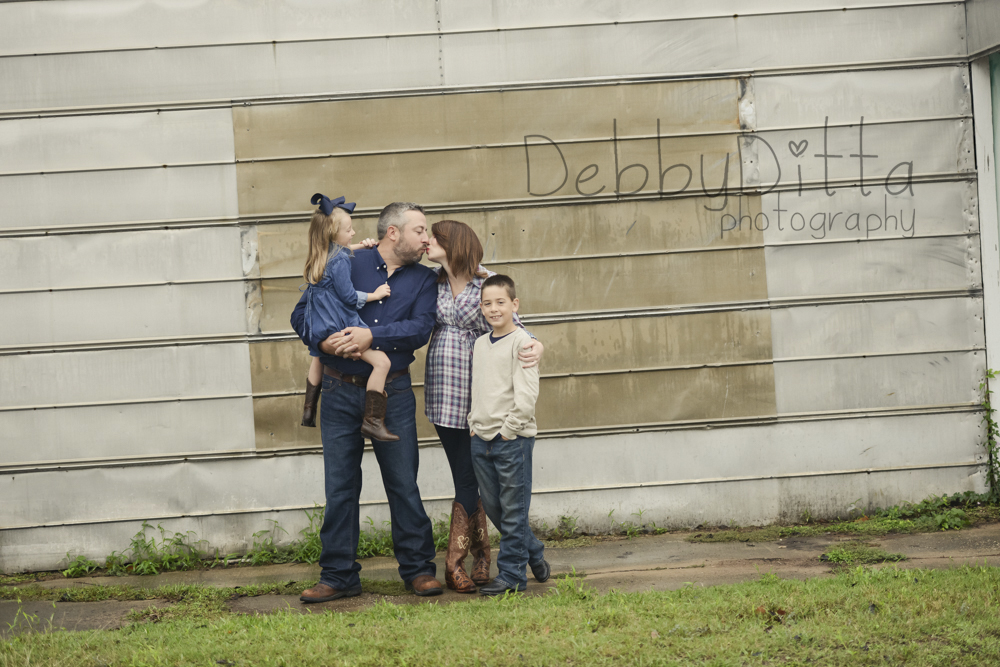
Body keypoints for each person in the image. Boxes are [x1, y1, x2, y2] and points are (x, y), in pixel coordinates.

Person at [291, 202, 444, 602]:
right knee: (340, 487)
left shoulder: (424, 280)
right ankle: (338, 576)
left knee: (403, 483)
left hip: (391, 392)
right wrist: (323, 341)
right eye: (420, 230)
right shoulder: (347, 260)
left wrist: (370, 338)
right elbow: (300, 313)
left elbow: (419, 329)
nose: (425, 238)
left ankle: (418, 570)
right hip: (339, 390)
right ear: (393, 232)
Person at [424, 220, 543, 593]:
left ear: (454, 243)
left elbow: (516, 327)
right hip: (445, 393)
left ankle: (467, 562)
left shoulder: (485, 284)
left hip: (485, 398)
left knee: (479, 485)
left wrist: (537, 345)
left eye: (435, 237)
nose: (427, 241)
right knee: (471, 481)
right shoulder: (433, 282)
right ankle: (526, 549)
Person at [468, 274, 550, 595]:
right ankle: (535, 553)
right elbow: (480, 388)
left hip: (511, 440)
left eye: (500, 302)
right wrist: (473, 423)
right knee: (495, 508)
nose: (493, 309)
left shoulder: (523, 343)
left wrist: (508, 430)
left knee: (514, 510)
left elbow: (527, 395)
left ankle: (513, 575)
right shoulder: (479, 343)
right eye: (487, 303)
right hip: (481, 439)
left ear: (514, 304)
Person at [299, 193, 397, 442]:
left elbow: (341, 250)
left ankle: (308, 410)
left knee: (319, 357)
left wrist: (361, 247)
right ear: (334, 234)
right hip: (340, 322)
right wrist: (375, 295)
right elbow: (348, 297)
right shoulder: (340, 261)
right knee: (382, 363)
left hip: (320, 321)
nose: (353, 233)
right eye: (349, 230)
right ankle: (373, 421)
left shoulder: (320, 253)